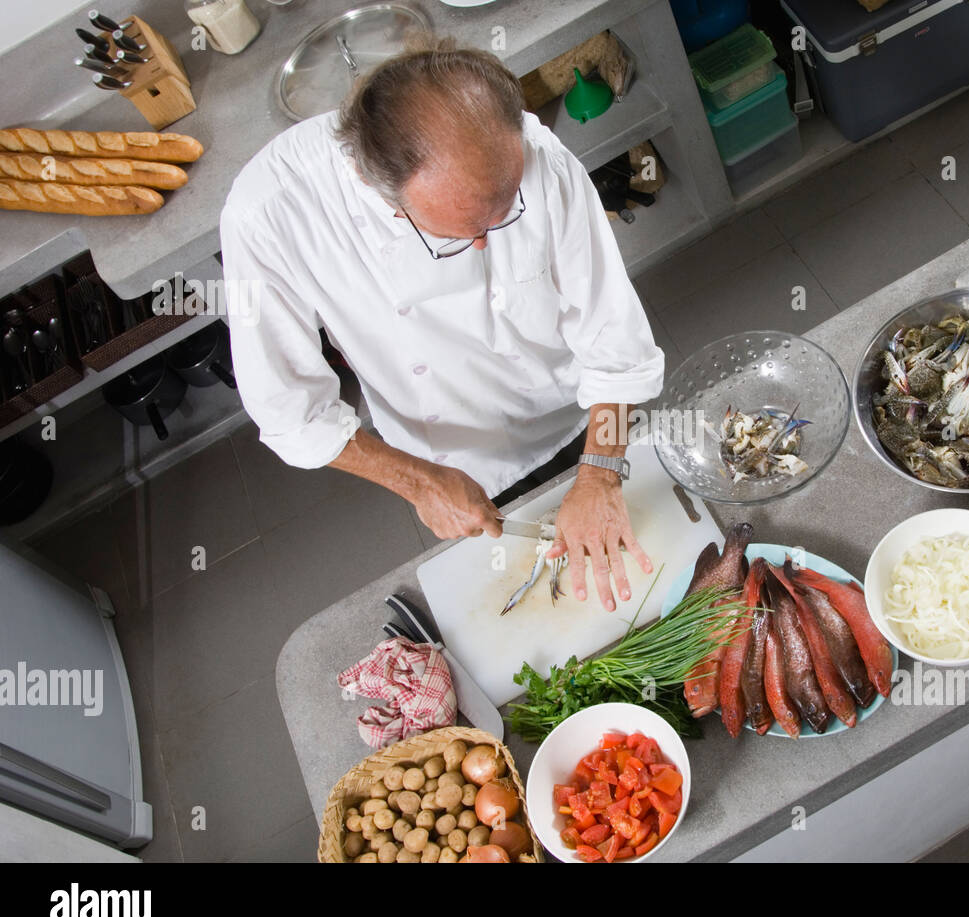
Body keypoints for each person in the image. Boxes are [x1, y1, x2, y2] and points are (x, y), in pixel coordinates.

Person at [219, 41, 664, 612]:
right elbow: (290, 413)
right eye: (459, 233)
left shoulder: (537, 153)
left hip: (579, 405)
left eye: (502, 215)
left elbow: (613, 336)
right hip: (450, 460)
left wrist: (601, 471)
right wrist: (419, 482)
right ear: (385, 195)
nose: (484, 242)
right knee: (551, 608)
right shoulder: (269, 214)